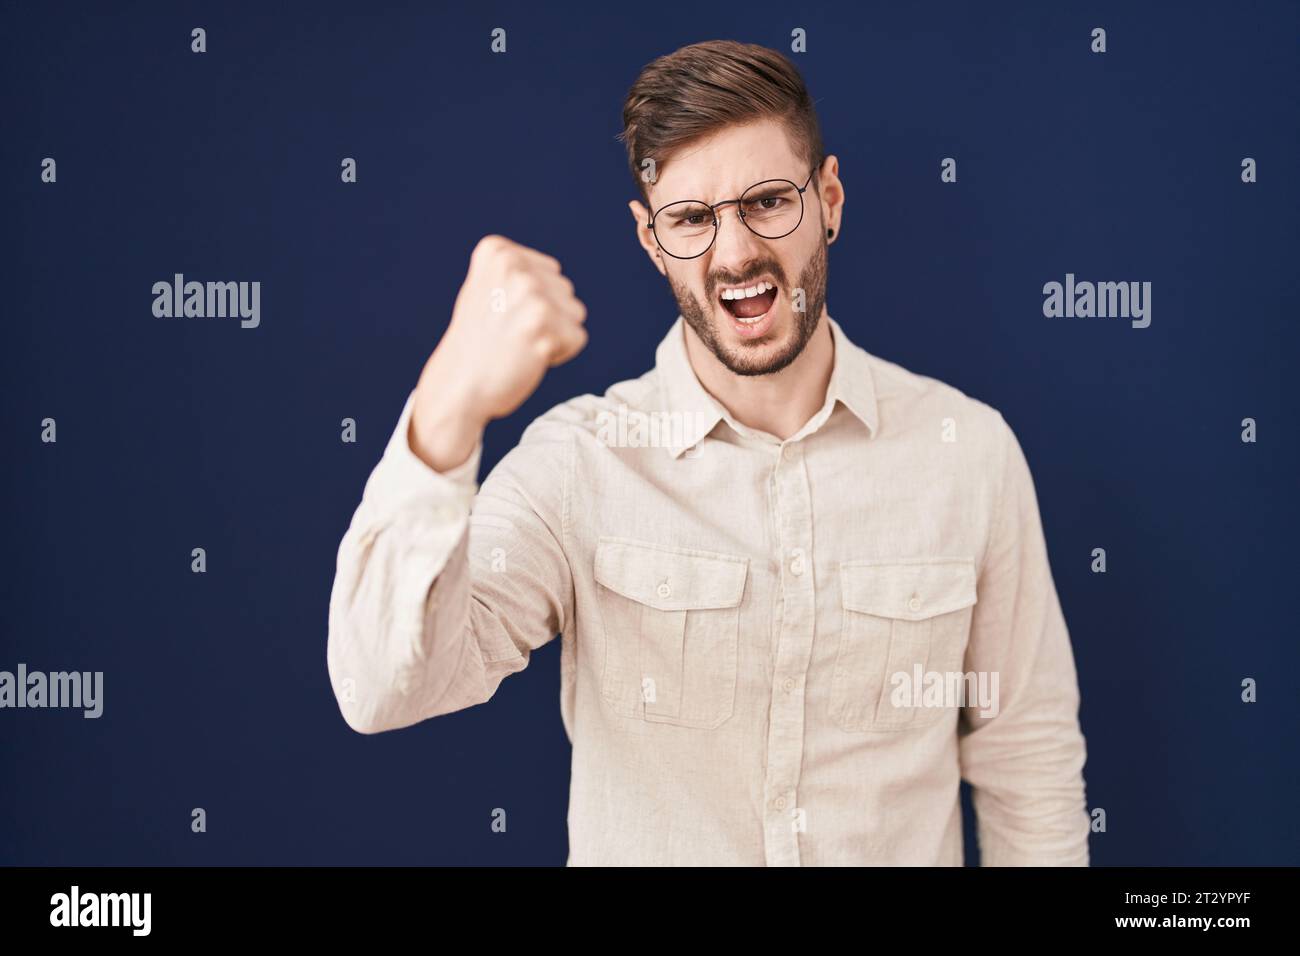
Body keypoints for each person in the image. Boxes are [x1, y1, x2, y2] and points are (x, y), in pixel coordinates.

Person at [327, 39, 1090, 866]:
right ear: (651, 241)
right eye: (691, 219)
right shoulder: (582, 463)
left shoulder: (967, 454)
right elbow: (382, 690)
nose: (733, 255)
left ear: (828, 198)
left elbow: (1028, 756)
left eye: (767, 201)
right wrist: (447, 407)